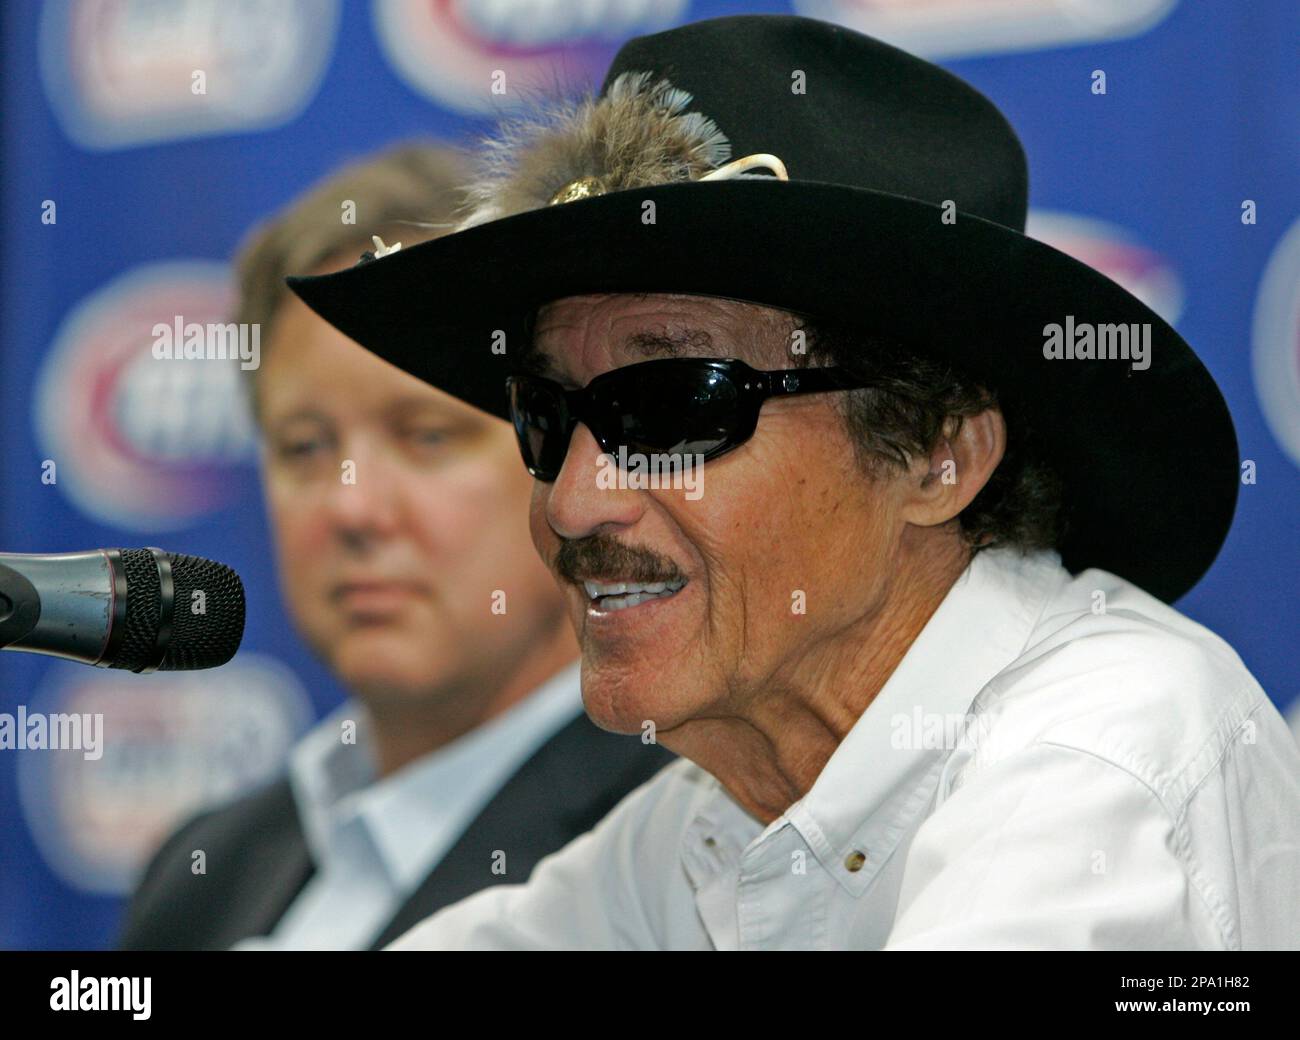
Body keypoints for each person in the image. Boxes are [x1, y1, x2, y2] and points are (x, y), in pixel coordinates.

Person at [288, 17, 1300, 950]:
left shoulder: (1095, 746)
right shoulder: (704, 825)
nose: (572, 500)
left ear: (936, 452)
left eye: (674, 403)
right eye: (546, 417)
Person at [118, 145, 673, 951]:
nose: (353, 507)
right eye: (304, 447)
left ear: (556, 449)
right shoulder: (202, 868)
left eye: (426, 436)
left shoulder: (677, 843)